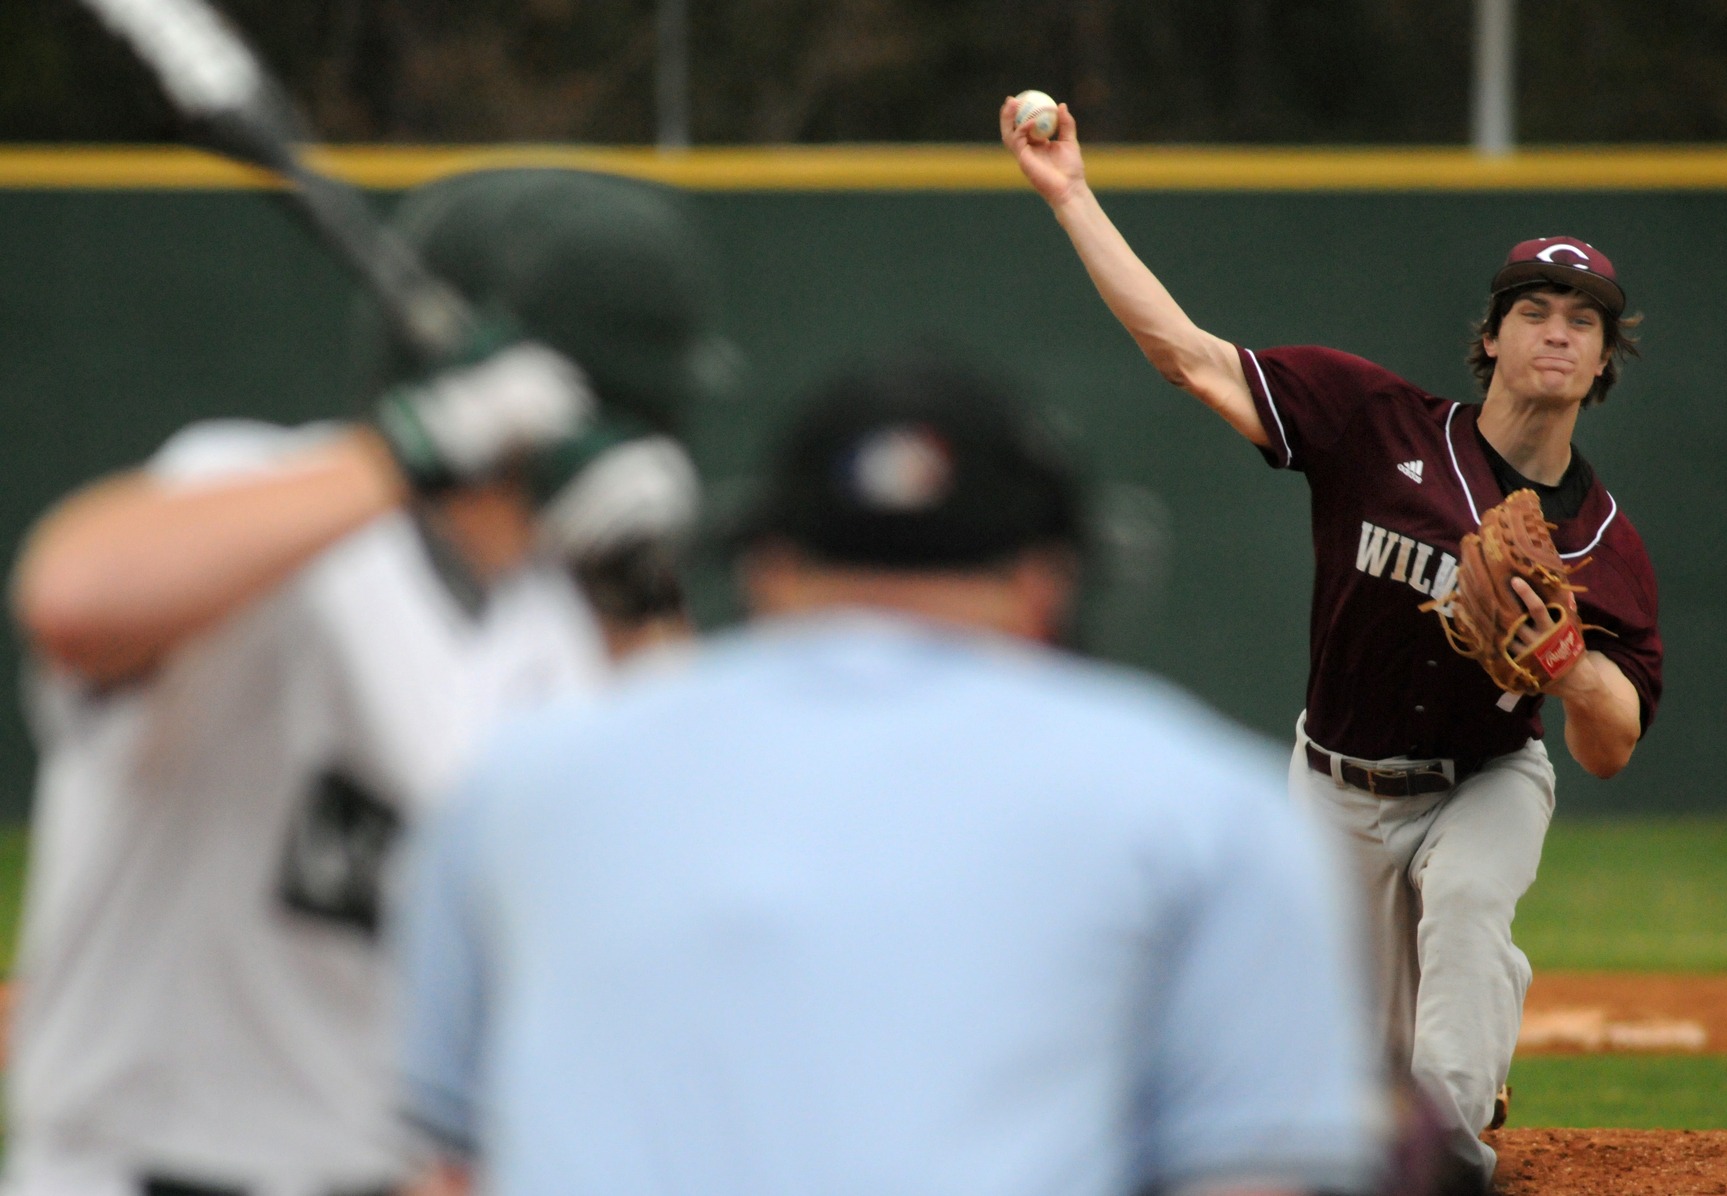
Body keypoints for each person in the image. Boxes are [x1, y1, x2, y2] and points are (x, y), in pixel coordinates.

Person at [396, 351, 1386, 1196]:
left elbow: (447, 1171)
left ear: (768, 572)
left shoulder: (520, 782)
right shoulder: (1207, 804)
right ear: (1044, 586)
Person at [3, 166, 723, 1196]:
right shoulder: (264, 504)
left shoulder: (569, 631)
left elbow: (686, 880)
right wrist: (413, 449)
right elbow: (73, 600)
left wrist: (642, 593)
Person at [1000, 99, 1664, 1182]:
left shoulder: (1601, 543)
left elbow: (1611, 744)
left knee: (1466, 909)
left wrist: (1572, 669)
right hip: (1336, 782)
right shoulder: (1374, 420)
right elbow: (1188, 358)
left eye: (1583, 321)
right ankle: (1466, 1031)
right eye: (1535, 310)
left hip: (1485, 774)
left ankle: (1454, 1156)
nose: (1557, 331)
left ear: (1601, 364)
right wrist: (1071, 194)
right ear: (1490, 338)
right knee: (1354, 1066)